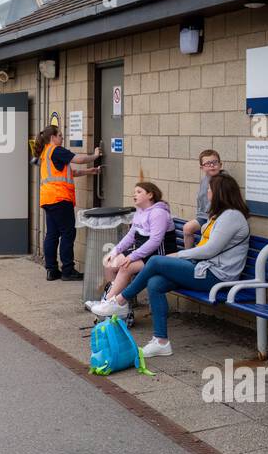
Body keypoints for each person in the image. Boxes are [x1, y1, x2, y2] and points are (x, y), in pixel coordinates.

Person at [92, 173, 251, 359]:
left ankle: (120, 301)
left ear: (220, 193)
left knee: (156, 261)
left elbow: (210, 250)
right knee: (156, 282)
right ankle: (161, 342)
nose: (207, 192)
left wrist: (179, 255)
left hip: (216, 276)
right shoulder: (219, 215)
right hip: (202, 269)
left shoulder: (232, 216)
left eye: (209, 189)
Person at [87, 182, 175, 311]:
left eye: (139, 192)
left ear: (150, 195)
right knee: (110, 265)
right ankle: (117, 305)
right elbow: (131, 236)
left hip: (160, 254)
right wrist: (115, 251)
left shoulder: (158, 213)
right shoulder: (140, 212)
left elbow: (155, 241)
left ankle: (107, 303)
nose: (135, 194)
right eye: (134, 192)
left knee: (125, 267)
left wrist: (133, 256)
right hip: (143, 251)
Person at [33, 125, 101, 282]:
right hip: (60, 199)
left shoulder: (45, 153)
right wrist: (95, 155)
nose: (62, 138)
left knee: (52, 234)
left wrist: (89, 172)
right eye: (60, 135)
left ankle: (51, 270)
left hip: (48, 199)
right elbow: (80, 159)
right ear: (53, 137)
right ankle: (68, 271)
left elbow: (70, 172)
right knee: (68, 233)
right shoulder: (56, 150)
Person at [183, 149, 223, 248]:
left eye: (214, 162)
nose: (212, 165)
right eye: (208, 163)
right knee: (187, 228)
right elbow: (200, 198)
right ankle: (188, 254)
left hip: (218, 217)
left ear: (220, 164)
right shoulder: (205, 179)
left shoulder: (223, 180)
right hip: (204, 216)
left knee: (207, 232)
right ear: (202, 167)